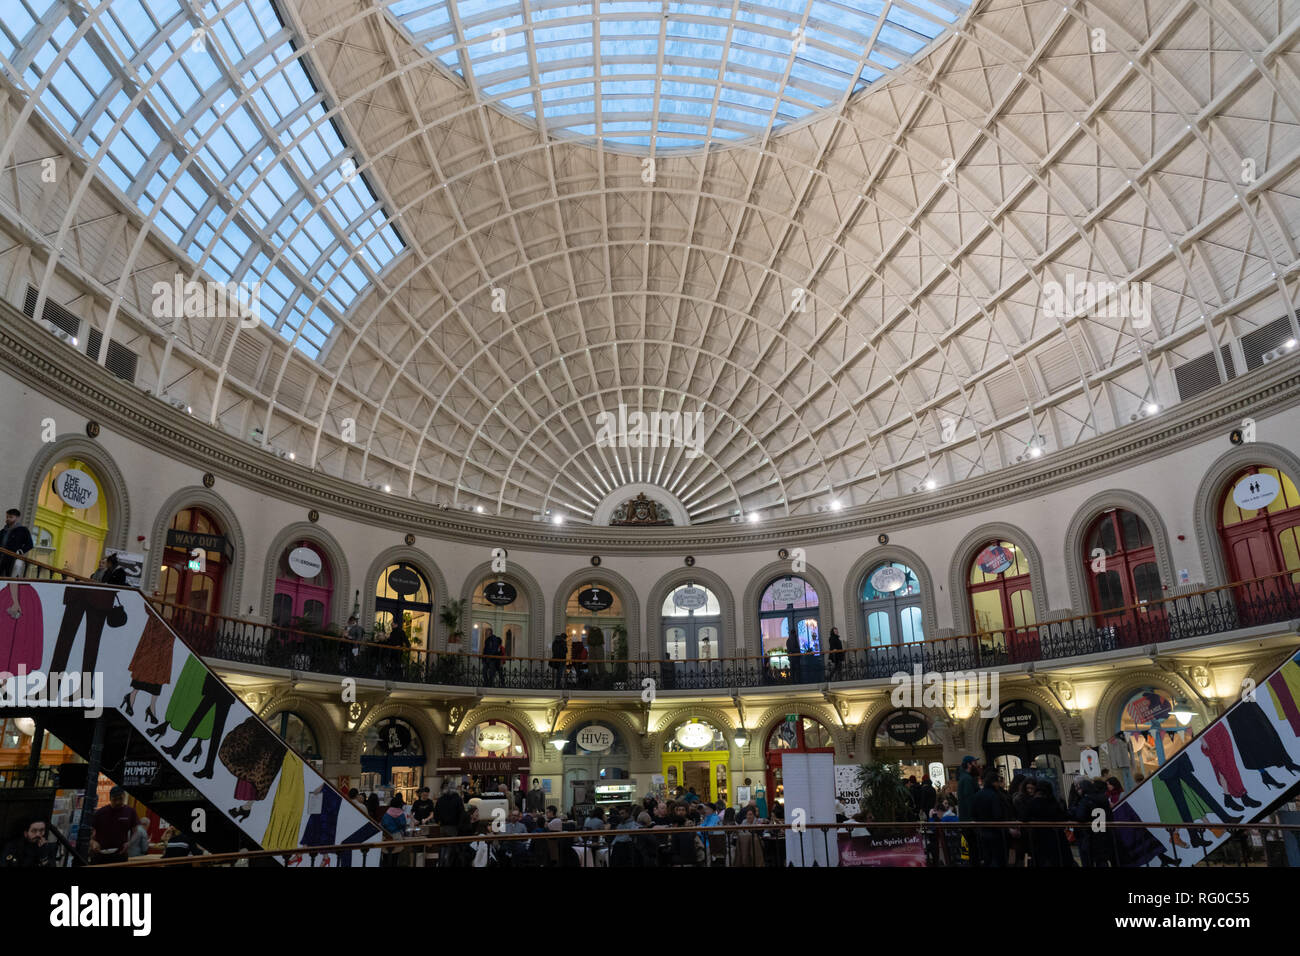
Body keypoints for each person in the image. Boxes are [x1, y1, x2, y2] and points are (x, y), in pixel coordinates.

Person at [89, 787, 139, 865]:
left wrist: (129, 843)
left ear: (124, 796)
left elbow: (136, 832)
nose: (118, 802)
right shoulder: (100, 812)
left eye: (120, 799)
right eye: (114, 799)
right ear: (110, 798)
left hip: (120, 855)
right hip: (99, 854)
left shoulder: (130, 812)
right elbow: (89, 832)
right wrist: (92, 842)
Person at [971, 769, 1007, 867]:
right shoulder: (994, 795)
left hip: (982, 830)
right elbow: (997, 814)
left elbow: (973, 813)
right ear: (994, 782)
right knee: (997, 857)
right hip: (995, 830)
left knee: (987, 857)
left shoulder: (977, 795)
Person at [434, 782, 466, 867]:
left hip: (442, 827)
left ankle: (441, 863)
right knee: (451, 849)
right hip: (453, 827)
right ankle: (447, 864)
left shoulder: (441, 799)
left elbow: (436, 813)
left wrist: (438, 821)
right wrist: (459, 826)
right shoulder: (458, 799)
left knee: (442, 847)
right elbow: (462, 814)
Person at [0, 508, 34, 577]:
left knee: (9, 580)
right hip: (1, 558)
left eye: (11, 517)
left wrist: (20, 552)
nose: (8, 519)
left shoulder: (23, 530)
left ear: (17, 518)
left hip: (12, 560)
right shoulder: (3, 531)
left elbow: (30, 544)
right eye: (7, 517)